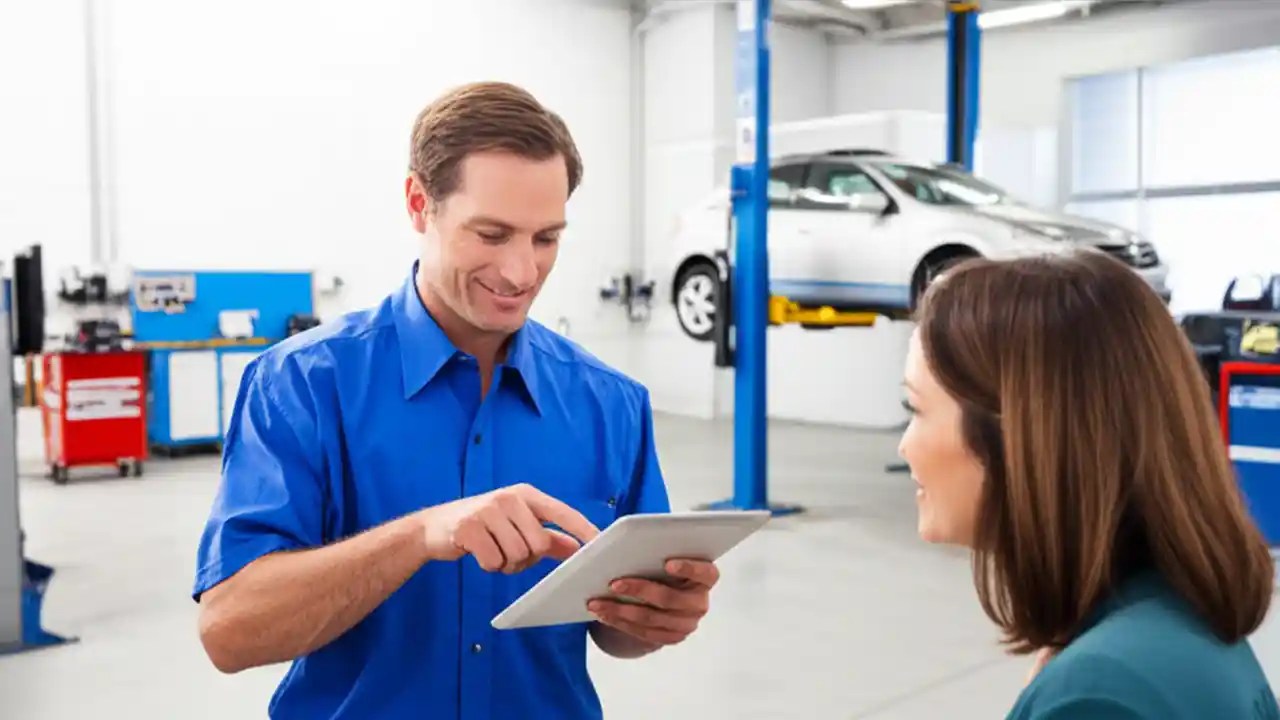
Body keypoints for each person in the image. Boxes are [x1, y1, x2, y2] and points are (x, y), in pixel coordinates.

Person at [192, 81, 721, 719]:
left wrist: (654, 617)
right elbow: (231, 632)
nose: (522, 272)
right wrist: (420, 534)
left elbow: (617, 631)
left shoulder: (611, 404)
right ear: (420, 203)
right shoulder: (302, 385)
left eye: (546, 238)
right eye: (491, 234)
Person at [898, 249, 1280, 719]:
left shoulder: (1104, 694)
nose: (905, 448)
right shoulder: (1170, 627)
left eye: (915, 409)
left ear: (1022, 438)